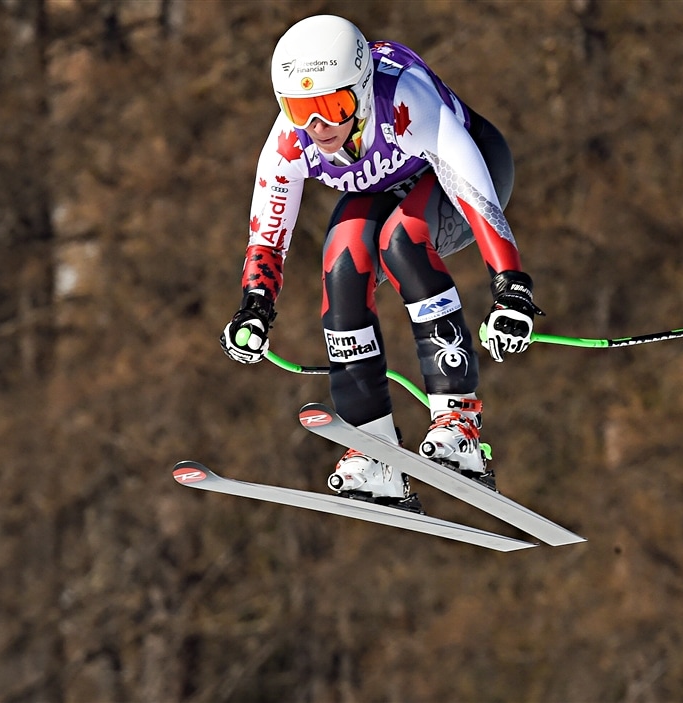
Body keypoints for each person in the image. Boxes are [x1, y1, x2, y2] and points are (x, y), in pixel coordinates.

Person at [220, 15, 542, 513]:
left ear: (364, 91)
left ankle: (459, 424)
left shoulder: (406, 100)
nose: (317, 127)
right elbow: (268, 233)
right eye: (300, 109)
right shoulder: (292, 139)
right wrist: (255, 307)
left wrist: (511, 286)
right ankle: (372, 448)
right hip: (383, 186)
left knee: (401, 240)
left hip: (466, 173)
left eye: (332, 106)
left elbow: (476, 196)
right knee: (340, 260)